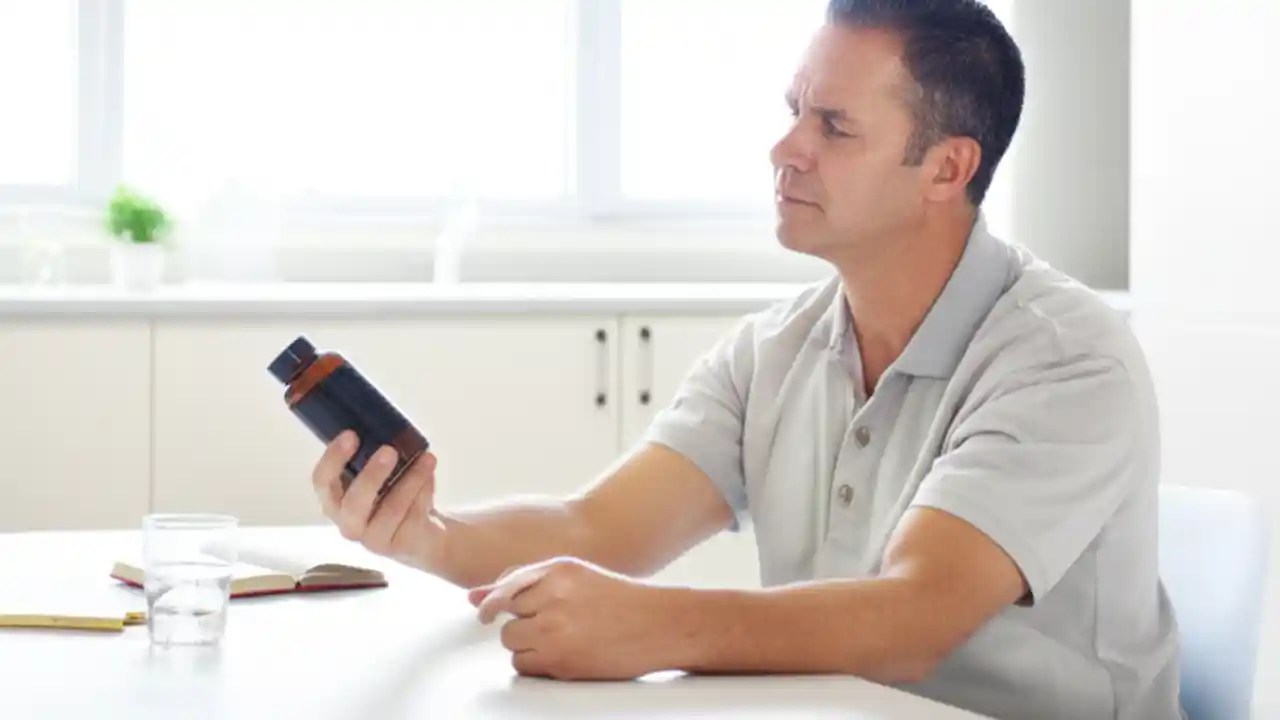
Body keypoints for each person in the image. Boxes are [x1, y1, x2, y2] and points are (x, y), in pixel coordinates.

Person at [310, 1, 1181, 717]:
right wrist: (428, 534)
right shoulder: (777, 347)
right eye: (794, 111)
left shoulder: (1065, 361)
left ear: (947, 169)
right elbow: (599, 530)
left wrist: (655, 629)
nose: (786, 149)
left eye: (834, 126)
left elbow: (913, 616)